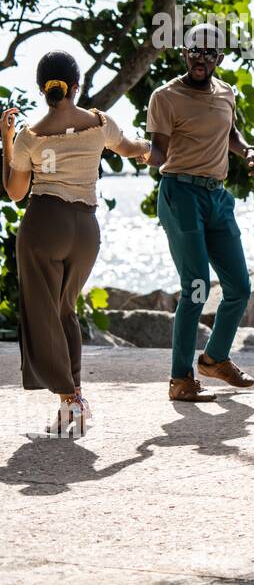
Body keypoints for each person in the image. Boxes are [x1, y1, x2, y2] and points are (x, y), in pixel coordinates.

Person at [2, 51, 150, 437]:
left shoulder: (29, 136)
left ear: (41, 89)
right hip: (86, 229)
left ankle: (70, 398)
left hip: (44, 224)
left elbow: (16, 192)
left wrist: (6, 141)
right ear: (77, 85)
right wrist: (152, 147)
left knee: (42, 312)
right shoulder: (100, 123)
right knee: (65, 310)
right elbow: (133, 149)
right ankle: (74, 403)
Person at [147, 24, 254, 402]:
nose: (200, 58)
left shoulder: (226, 93)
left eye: (209, 53)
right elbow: (158, 152)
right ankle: (180, 378)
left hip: (217, 197)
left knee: (239, 286)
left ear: (219, 58)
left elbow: (231, 134)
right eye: (194, 51)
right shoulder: (165, 97)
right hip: (180, 194)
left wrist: (248, 151)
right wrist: (141, 152)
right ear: (184, 52)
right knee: (197, 287)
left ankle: (215, 359)